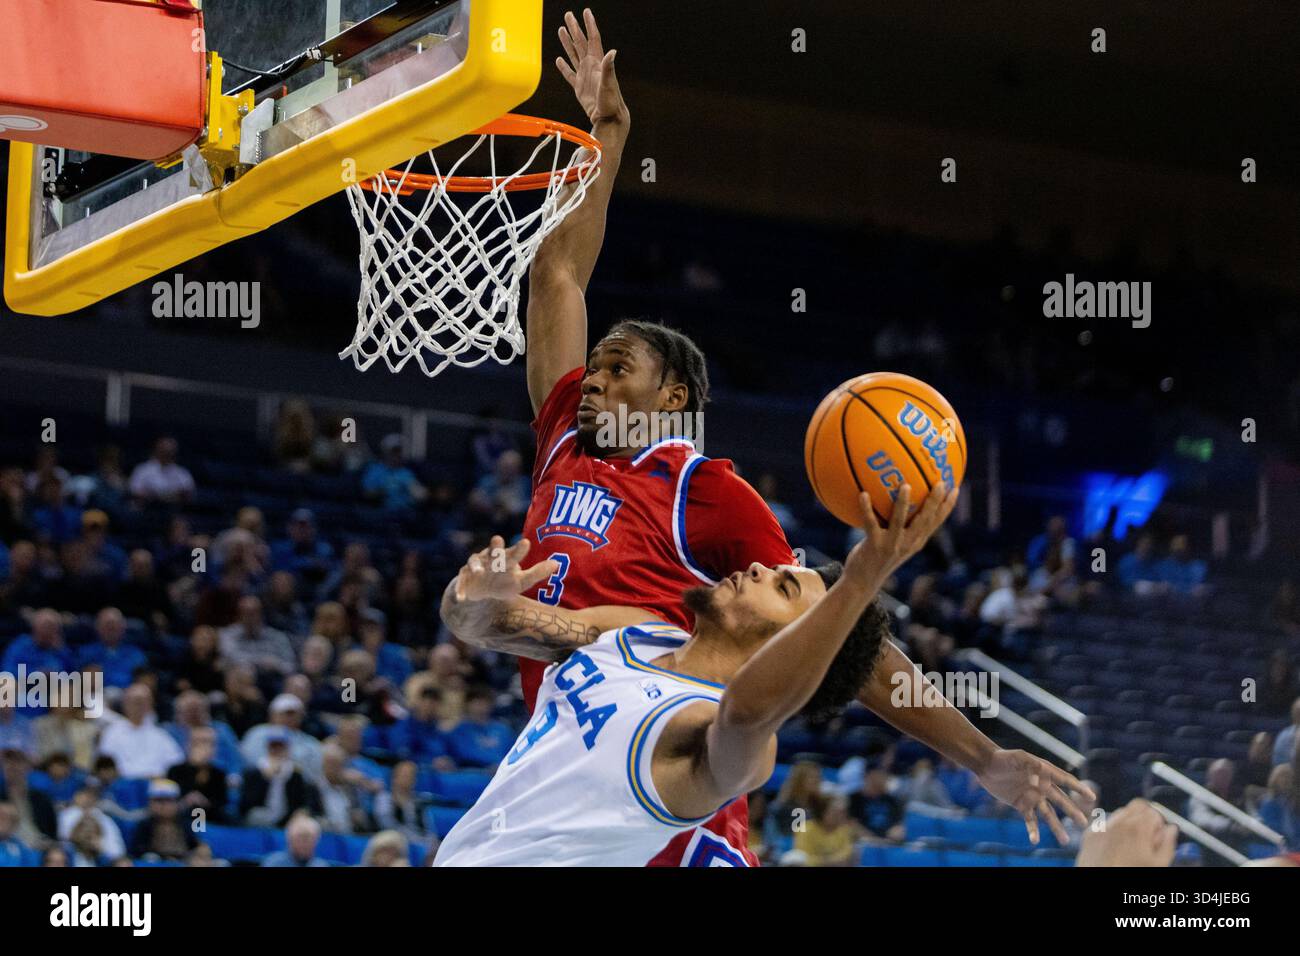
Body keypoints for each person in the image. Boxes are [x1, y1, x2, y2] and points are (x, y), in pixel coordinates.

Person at [511, 7, 1088, 866]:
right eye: (592, 366)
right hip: (572, 768)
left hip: (672, 786)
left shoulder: (704, 492)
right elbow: (558, 273)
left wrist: (986, 758)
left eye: (617, 365)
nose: (591, 377)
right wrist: (607, 132)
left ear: (672, 396)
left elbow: (846, 638)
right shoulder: (564, 432)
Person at [435, 485, 1090, 865]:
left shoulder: (727, 744)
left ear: (801, 639)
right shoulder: (632, 629)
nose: (757, 568)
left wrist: (861, 579)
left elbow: (749, 711)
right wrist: (472, 598)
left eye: (781, 588)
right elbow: (482, 627)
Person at [96, 684, 184, 779]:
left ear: (150, 705)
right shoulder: (112, 732)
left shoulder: (160, 734)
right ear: (125, 704)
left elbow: (176, 761)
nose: (140, 706)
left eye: (144, 702)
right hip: (124, 783)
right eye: (136, 702)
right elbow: (106, 762)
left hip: (156, 783)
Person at [127, 778, 199, 861]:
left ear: (177, 803)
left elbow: (194, 847)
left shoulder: (185, 824)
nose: (163, 806)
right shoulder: (144, 825)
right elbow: (137, 852)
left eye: (168, 801)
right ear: (150, 803)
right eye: (158, 801)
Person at [127, 436, 195, 505]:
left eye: (170, 451)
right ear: (156, 449)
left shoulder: (182, 472)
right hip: (146, 509)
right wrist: (168, 495)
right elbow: (134, 491)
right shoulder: (142, 469)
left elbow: (188, 494)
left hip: (173, 509)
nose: (167, 453)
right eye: (164, 450)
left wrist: (157, 495)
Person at [262, 811, 330, 867]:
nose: (304, 844)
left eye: (309, 839)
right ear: (290, 839)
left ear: (316, 841)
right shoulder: (273, 863)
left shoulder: (322, 865)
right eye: (300, 839)